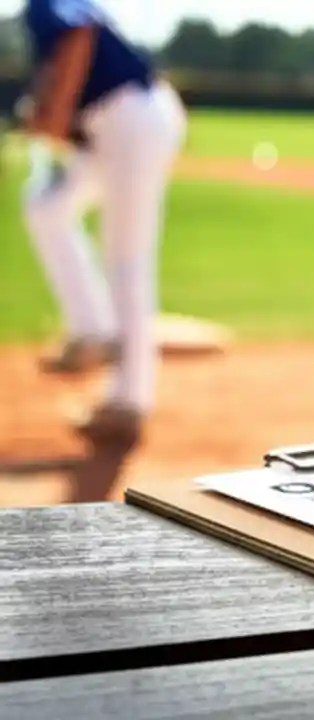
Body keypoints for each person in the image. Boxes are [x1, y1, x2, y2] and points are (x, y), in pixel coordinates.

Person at [18, 0, 188, 448]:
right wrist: (43, 103)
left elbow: (80, 35)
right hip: (107, 125)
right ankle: (92, 330)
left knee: (127, 259)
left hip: (131, 119)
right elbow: (59, 59)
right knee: (45, 207)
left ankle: (128, 402)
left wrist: (54, 112)